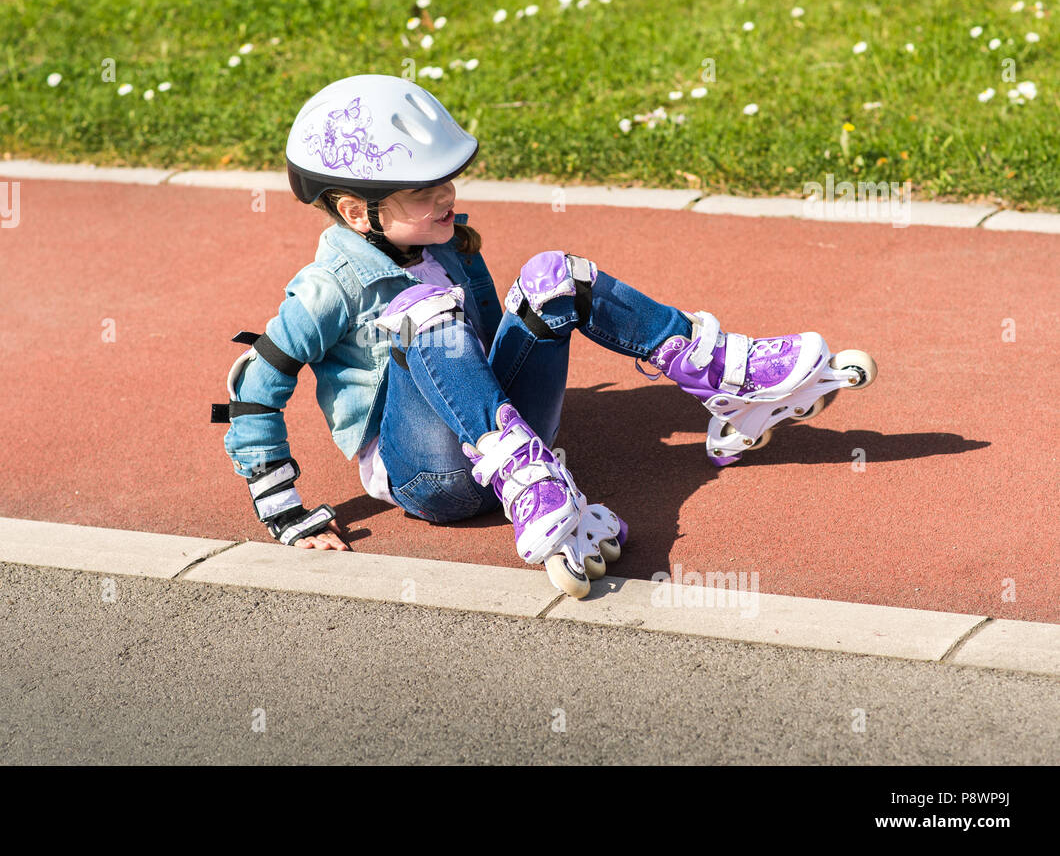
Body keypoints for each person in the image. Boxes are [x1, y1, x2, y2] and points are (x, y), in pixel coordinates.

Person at [212, 74, 876, 598]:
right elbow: (252, 385)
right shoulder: (330, 284)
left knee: (555, 275)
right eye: (423, 191)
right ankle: (529, 481)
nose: (445, 196)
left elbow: (490, 346)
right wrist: (282, 507)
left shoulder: (447, 241)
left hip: (497, 429)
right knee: (422, 309)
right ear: (358, 211)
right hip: (433, 478)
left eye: (447, 178)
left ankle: (721, 375)